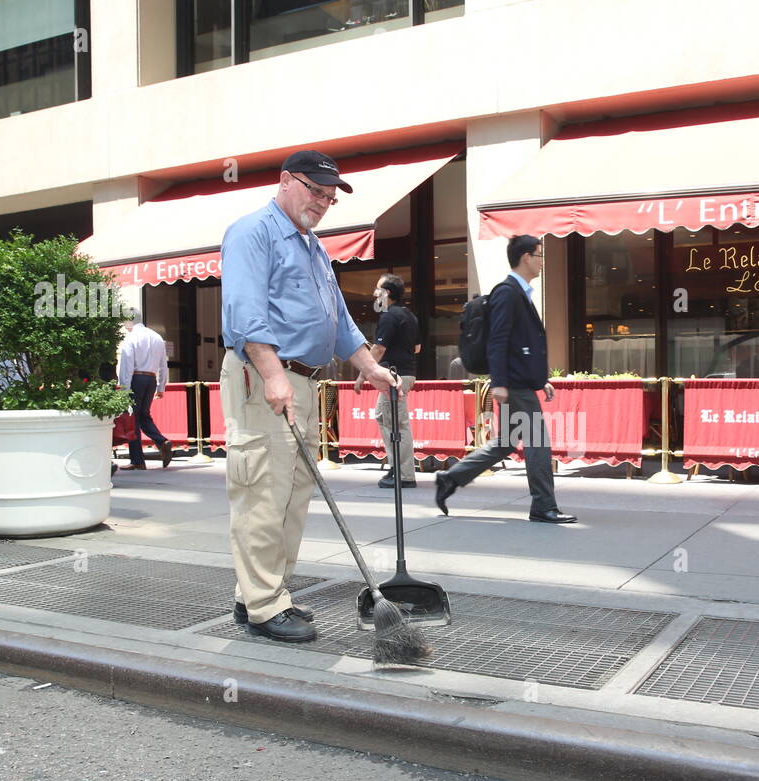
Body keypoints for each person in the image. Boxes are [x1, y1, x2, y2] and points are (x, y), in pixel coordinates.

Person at [221, 149, 397, 643]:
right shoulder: (253, 232)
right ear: (285, 182)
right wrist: (274, 374)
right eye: (314, 191)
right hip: (265, 377)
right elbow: (244, 311)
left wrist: (368, 365)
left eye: (328, 197)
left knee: (292, 495)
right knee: (263, 494)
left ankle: (260, 593)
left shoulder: (312, 246)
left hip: (300, 380)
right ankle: (263, 605)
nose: (321, 202)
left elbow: (338, 317)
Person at [434, 235, 575, 524]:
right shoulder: (508, 292)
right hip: (512, 385)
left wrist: (540, 379)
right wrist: (498, 381)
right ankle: (543, 506)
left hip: (519, 382)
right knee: (538, 441)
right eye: (539, 255)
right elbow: (498, 340)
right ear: (525, 257)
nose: (542, 262)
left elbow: (519, 344)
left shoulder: (518, 293)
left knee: (507, 442)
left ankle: (450, 478)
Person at [355, 273, 419, 488]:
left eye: (377, 289)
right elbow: (417, 348)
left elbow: (378, 348)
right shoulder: (409, 316)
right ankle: (399, 469)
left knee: (396, 424)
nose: (374, 293)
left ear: (387, 293)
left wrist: (363, 374)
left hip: (394, 375)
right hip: (404, 373)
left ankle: (403, 474)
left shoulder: (389, 316)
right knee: (388, 419)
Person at [116, 311, 174, 470]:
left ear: (129, 321)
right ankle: (162, 442)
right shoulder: (156, 337)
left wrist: (124, 389)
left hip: (136, 378)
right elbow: (164, 364)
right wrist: (161, 386)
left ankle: (137, 460)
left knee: (132, 417)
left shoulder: (131, 337)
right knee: (144, 415)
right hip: (150, 379)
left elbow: (126, 366)